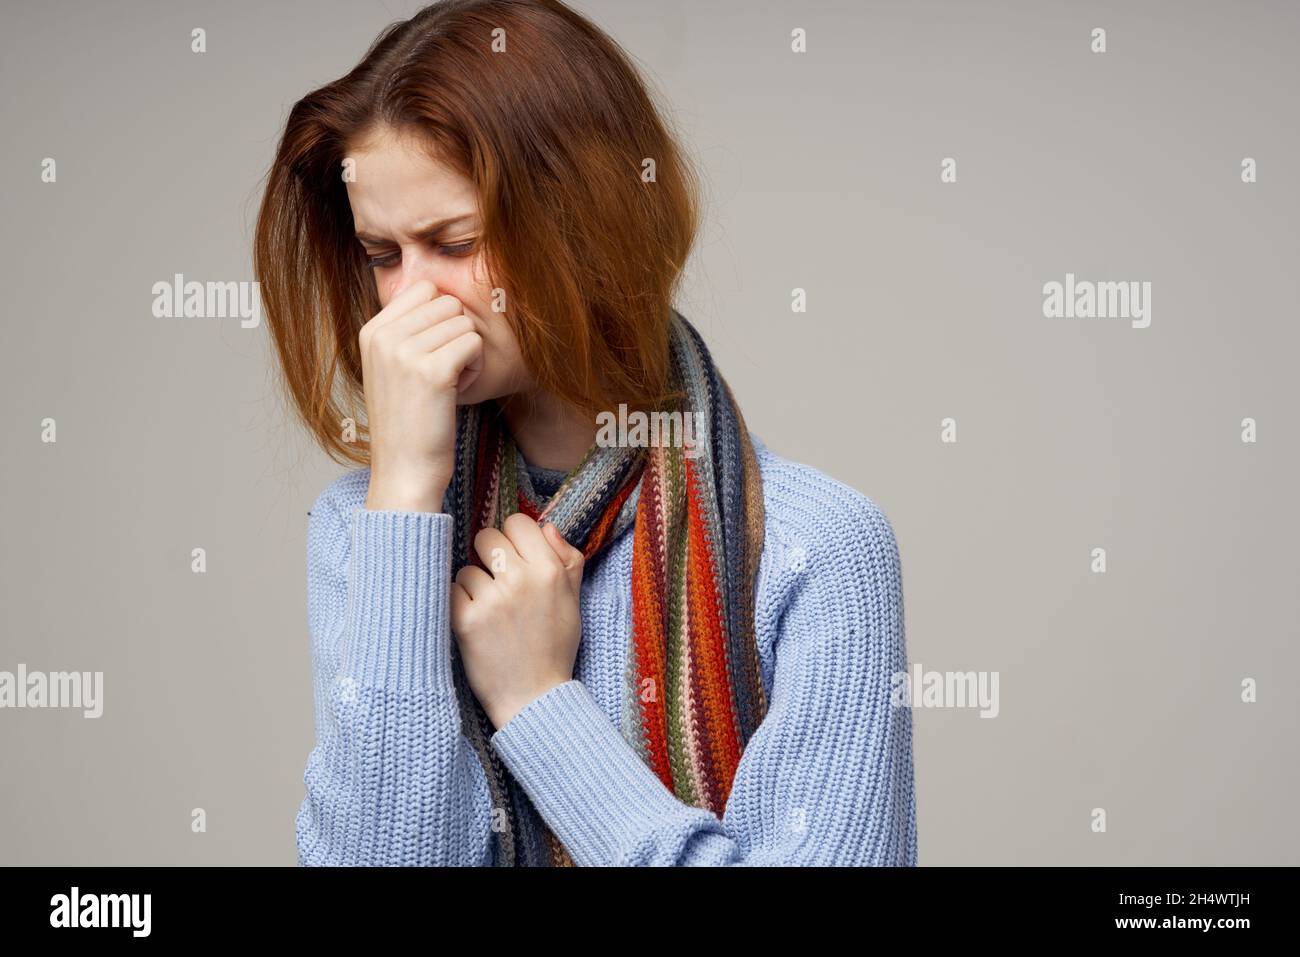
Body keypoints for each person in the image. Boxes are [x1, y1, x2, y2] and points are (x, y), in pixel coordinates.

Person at [254, 0, 917, 866]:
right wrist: (407, 498)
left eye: (454, 242)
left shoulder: (814, 550)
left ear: (586, 225)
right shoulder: (369, 531)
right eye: (383, 256)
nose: (409, 301)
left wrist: (538, 707)